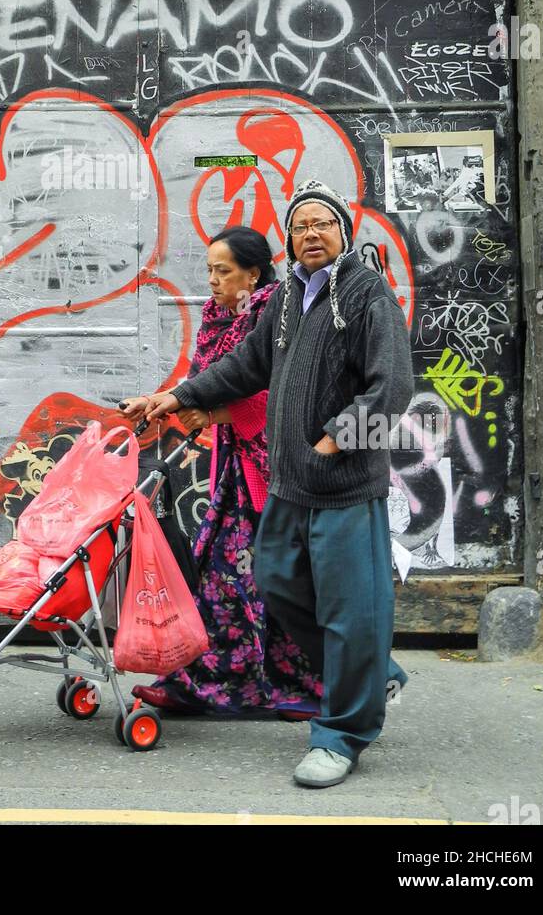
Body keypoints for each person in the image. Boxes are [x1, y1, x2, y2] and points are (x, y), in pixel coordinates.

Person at [140, 179, 413, 789]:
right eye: (300, 226)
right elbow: (247, 366)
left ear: (343, 231)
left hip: (342, 483)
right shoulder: (289, 296)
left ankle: (342, 733)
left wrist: (333, 441)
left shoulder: (369, 295)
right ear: (288, 239)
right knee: (278, 582)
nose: (310, 235)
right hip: (290, 483)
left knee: (350, 608)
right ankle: (368, 674)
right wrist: (177, 395)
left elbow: (391, 389)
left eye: (322, 224)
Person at [120, 225, 323, 721]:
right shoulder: (218, 316)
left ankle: (307, 685)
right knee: (226, 577)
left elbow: (286, 393)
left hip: (278, 468)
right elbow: (205, 382)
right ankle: (203, 682)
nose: (211, 280)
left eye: (223, 271)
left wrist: (216, 417)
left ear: (253, 274)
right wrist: (155, 402)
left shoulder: (280, 314)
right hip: (236, 470)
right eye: (209, 270)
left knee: (268, 580)